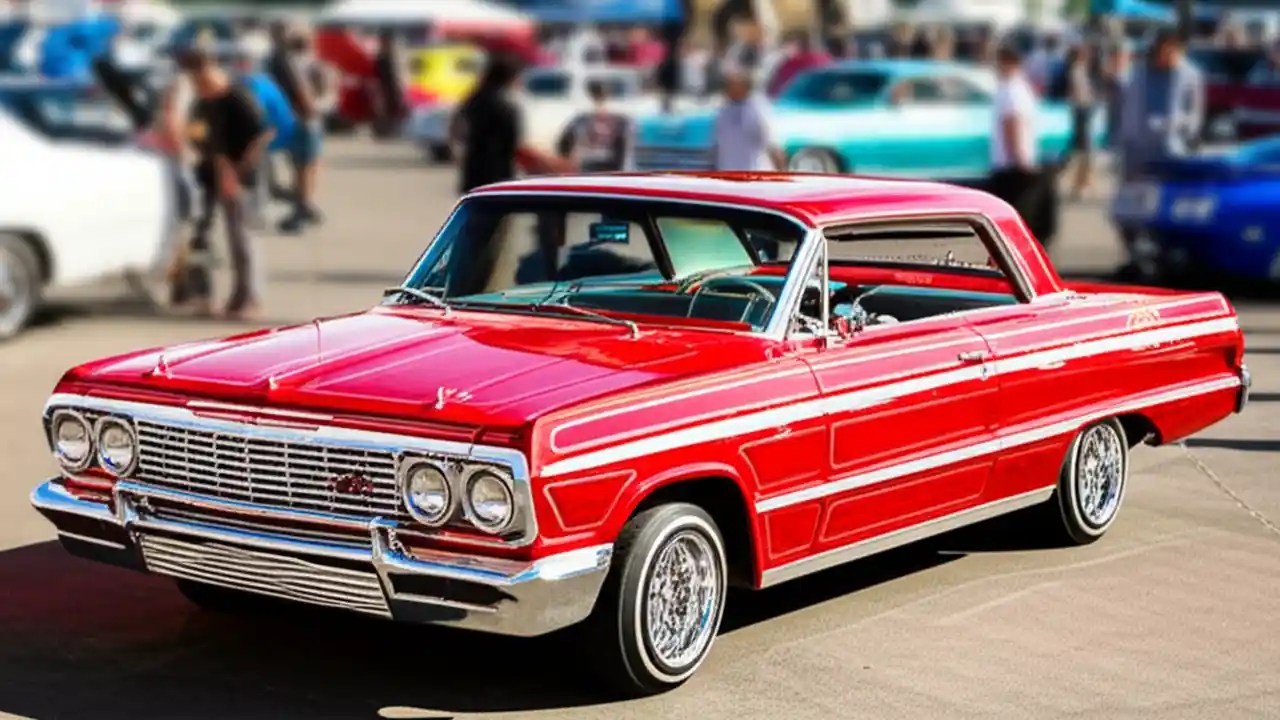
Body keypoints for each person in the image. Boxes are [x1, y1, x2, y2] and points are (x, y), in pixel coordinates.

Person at [176, 46, 273, 320]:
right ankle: (238, 298)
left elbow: (262, 134)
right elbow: (206, 139)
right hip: (221, 177)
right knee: (234, 241)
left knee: (245, 240)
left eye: (200, 80)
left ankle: (251, 299)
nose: (199, 87)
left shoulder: (236, 98)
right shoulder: (207, 102)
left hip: (244, 179)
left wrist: (239, 170)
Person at [450, 52, 571, 194]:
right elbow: (513, 140)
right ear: (508, 78)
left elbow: (458, 125)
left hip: (475, 168)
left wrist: (458, 149)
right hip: (497, 169)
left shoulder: (476, 98)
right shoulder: (505, 104)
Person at [988, 45, 1055, 244]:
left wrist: (1019, 158)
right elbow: (1012, 124)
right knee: (1019, 215)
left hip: (1013, 164)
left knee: (1017, 214)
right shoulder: (1013, 89)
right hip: (1014, 163)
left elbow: (1012, 124)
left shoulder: (1012, 90)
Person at [232, 44, 296, 228]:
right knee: (258, 175)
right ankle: (254, 211)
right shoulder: (260, 84)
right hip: (262, 136)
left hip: (262, 136)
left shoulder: (256, 86)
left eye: (243, 60)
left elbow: (268, 113)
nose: (241, 64)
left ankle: (255, 212)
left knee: (258, 176)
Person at [280, 29, 333, 233]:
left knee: (302, 167)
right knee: (309, 166)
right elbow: (327, 94)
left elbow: (303, 93)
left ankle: (302, 209)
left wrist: (310, 107)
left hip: (302, 120)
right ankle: (306, 205)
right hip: (311, 121)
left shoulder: (294, 65)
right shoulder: (316, 65)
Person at [711, 71, 784, 172]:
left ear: (743, 87)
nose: (726, 89)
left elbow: (772, 144)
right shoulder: (724, 110)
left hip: (755, 172)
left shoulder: (758, 108)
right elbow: (719, 145)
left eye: (731, 85)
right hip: (728, 173)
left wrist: (782, 172)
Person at [557, 81, 631, 173]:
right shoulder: (618, 117)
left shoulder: (582, 117)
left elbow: (564, 143)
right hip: (609, 162)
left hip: (587, 162)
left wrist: (568, 160)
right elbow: (623, 145)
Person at [1062, 43, 1098, 200]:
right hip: (1082, 111)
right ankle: (1081, 185)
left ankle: (1083, 183)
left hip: (1083, 111)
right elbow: (1078, 93)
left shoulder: (1081, 70)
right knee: (1085, 152)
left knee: (1085, 152)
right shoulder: (1077, 70)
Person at [766, 32, 831, 98]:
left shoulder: (790, 64)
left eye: (785, 47)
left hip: (798, 101)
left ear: (795, 45)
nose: (783, 51)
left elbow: (773, 90)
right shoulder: (825, 58)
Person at [372, 28, 406, 138]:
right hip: (383, 86)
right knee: (384, 108)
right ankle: (384, 130)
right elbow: (377, 73)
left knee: (392, 107)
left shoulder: (391, 55)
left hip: (390, 86)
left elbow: (395, 73)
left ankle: (391, 130)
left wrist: (398, 86)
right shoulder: (381, 56)